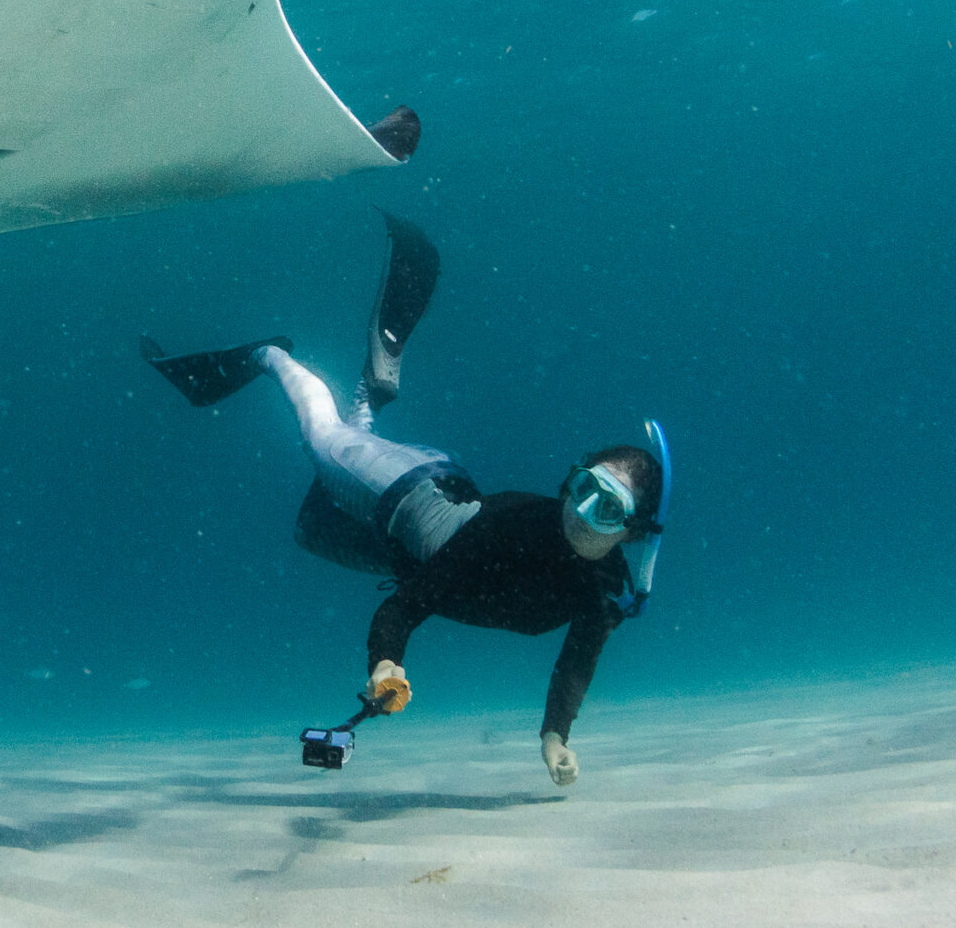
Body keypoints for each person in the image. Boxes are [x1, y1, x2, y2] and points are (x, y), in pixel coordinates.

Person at [140, 212, 669, 786]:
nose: (582, 512)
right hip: (398, 487)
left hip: (415, 534)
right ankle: (270, 356)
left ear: (633, 532)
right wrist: (386, 663)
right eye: (583, 487)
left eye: (608, 507)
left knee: (310, 531)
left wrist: (554, 736)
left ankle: (371, 395)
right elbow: (405, 608)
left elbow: (575, 664)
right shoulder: (512, 529)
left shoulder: (601, 594)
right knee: (323, 440)